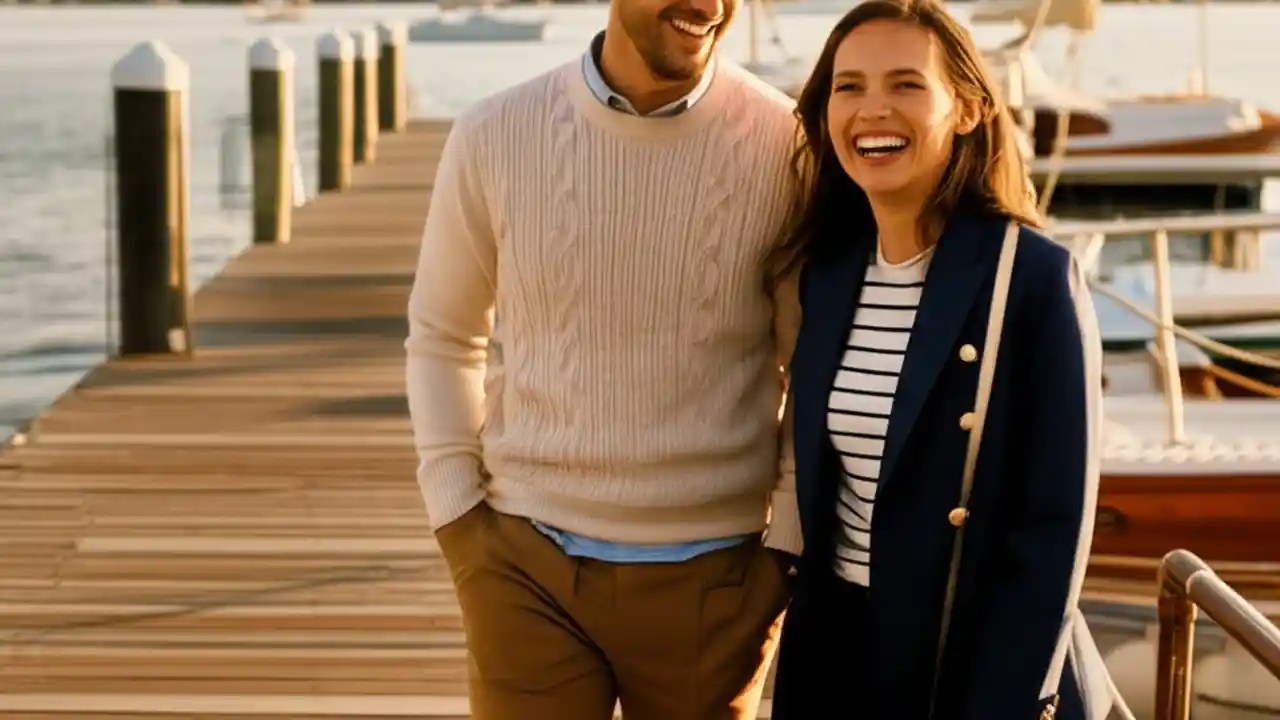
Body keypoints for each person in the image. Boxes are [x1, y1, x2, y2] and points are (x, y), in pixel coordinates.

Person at [403, 0, 804, 714]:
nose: (709, 7)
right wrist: (457, 516)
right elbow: (443, 335)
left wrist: (786, 547)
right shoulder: (495, 133)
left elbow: (810, 366)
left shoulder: (788, 146)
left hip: (719, 582)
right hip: (525, 569)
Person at [766, 0, 1111, 718]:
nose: (872, 110)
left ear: (968, 110)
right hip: (840, 658)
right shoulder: (827, 274)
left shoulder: (1034, 278)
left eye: (906, 84)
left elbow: (1052, 535)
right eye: (849, 86)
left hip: (971, 661)